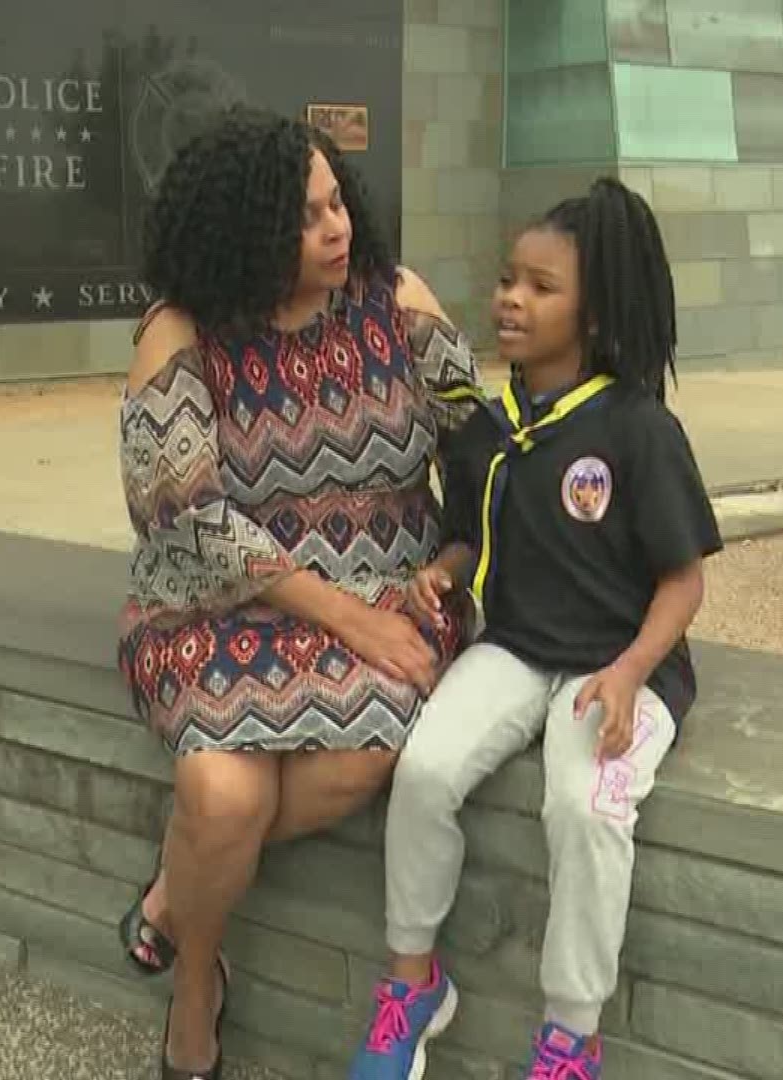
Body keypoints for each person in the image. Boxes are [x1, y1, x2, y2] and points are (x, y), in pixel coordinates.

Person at [114, 107, 483, 1080]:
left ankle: (174, 896)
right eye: (304, 218)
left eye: (335, 203)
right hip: (219, 608)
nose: (336, 228)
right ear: (241, 233)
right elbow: (185, 518)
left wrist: (444, 570)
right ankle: (198, 990)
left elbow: (484, 460)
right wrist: (342, 614)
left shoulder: (399, 304)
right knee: (220, 788)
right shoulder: (180, 333)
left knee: (358, 759)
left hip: (392, 591)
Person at [345, 177, 724, 1080]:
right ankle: (412, 983)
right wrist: (442, 574)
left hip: (618, 668)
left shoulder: (638, 431)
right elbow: (473, 537)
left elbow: (684, 582)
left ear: (592, 314)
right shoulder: (489, 428)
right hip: (516, 649)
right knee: (423, 770)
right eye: (508, 279)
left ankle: (569, 1036)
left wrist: (630, 672)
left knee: (585, 807)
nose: (511, 299)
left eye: (541, 288)